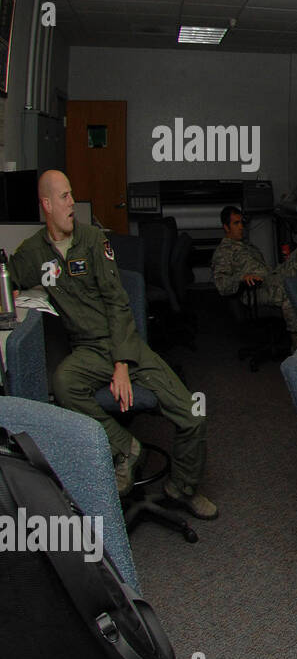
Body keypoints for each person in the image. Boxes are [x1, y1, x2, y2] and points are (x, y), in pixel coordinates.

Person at [8, 172, 215, 518]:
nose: (72, 203)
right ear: (46, 204)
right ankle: (126, 447)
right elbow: (9, 274)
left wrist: (122, 365)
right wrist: (9, 290)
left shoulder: (92, 240)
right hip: (87, 350)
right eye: (63, 197)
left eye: (72, 195)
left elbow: (119, 304)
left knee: (193, 416)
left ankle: (182, 488)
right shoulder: (32, 253)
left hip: (127, 345)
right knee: (62, 383)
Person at [210, 205, 297, 341]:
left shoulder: (246, 245)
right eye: (236, 223)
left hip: (270, 278)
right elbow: (222, 285)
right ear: (226, 227)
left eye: (241, 223)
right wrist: (242, 278)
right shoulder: (223, 252)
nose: (241, 227)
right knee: (291, 292)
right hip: (254, 290)